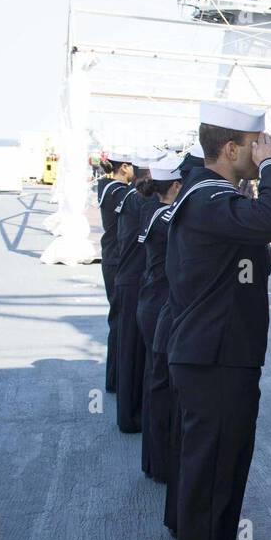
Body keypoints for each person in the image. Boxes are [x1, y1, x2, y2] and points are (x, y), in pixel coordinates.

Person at [166, 103, 271, 540]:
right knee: (213, 490)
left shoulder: (209, 198)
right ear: (230, 149)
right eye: (255, 143)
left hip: (218, 359)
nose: (261, 149)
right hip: (216, 363)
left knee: (220, 486)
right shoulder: (208, 198)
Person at [157, 142, 205, 537]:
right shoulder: (199, 210)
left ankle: (178, 516)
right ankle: (185, 523)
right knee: (195, 447)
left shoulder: (181, 209)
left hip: (178, 333)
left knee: (182, 438)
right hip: (195, 344)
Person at [136, 154, 183, 482]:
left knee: (156, 384)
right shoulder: (169, 217)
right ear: (177, 185)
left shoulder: (152, 211)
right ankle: (163, 463)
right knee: (164, 387)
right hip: (161, 308)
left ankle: (154, 460)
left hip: (150, 302)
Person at [112, 154, 153, 433]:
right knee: (132, 353)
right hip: (135, 282)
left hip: (127, 278)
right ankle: (129, 417)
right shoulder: (143, 203)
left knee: (127, 348)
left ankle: (126, 408)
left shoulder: (130, 197)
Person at [94, 156, 135, 393]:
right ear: (124, 167)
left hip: (112, 257)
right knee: (120, 322)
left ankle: (115, 379)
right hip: (117, 260)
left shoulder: (107, 187)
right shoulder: (118, 192)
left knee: (117, 321)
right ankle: (117, 380)